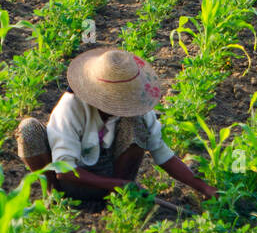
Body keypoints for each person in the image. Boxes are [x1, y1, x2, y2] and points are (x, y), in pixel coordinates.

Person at [15, 45, 217, 202]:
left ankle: (117, 199)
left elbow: (163, 154)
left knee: (137, 125)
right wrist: (117, 183)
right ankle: (55, 196)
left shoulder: (136, 110)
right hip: (70, 182)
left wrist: (202, 187)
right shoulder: (71, 106)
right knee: (29, 129)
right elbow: (65, 170)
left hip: (113, 179)